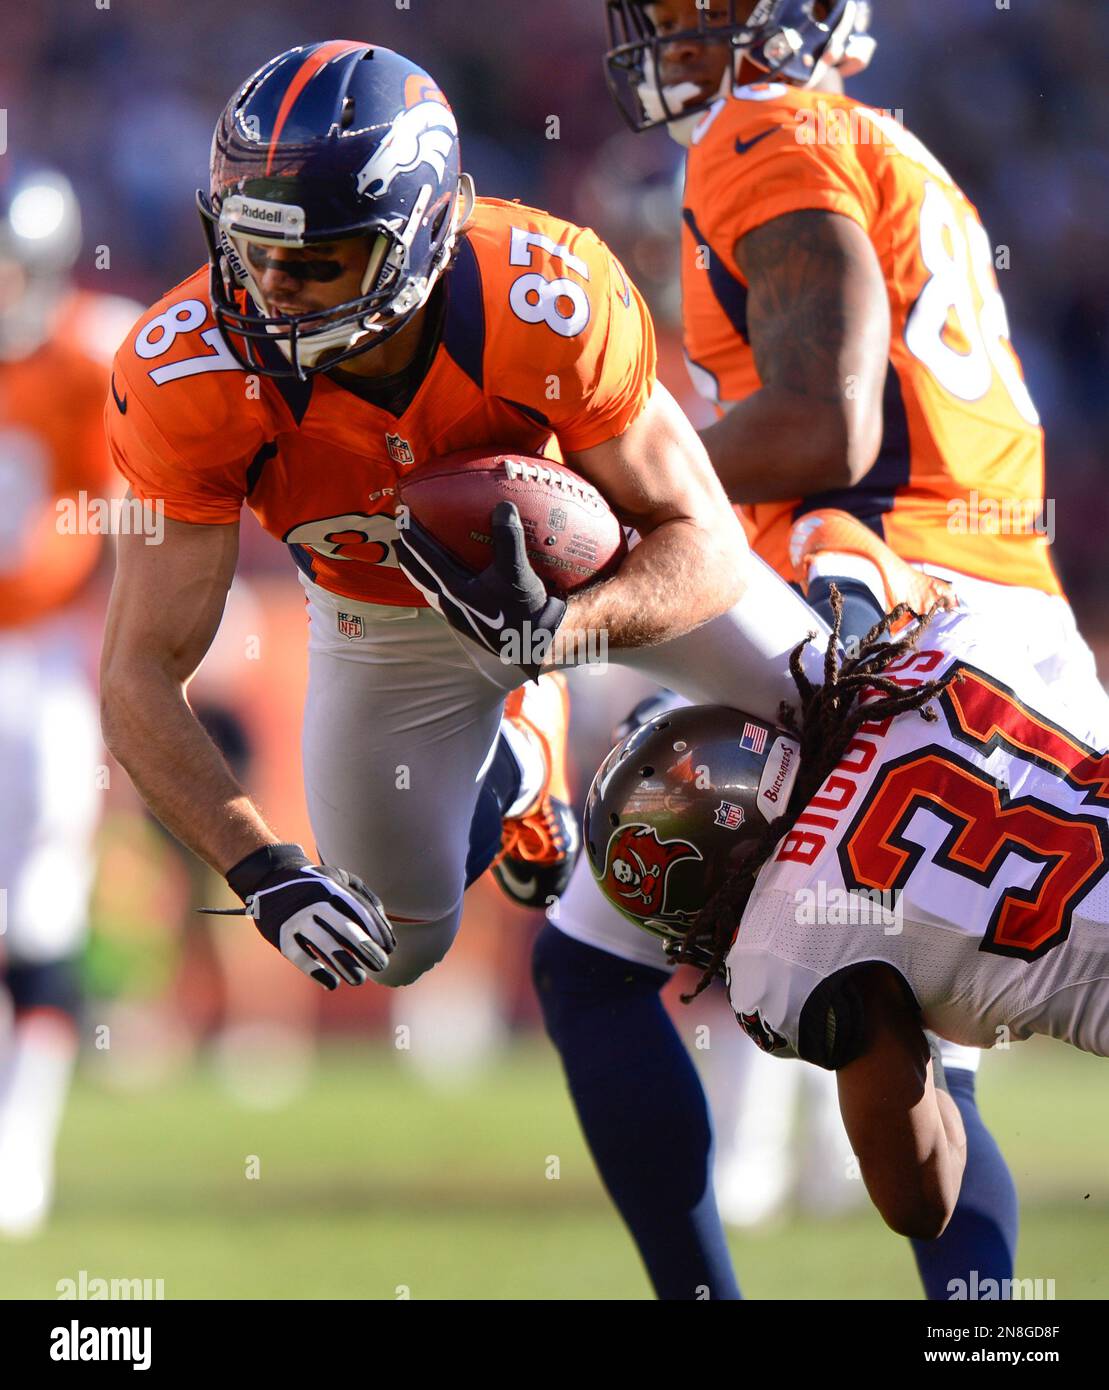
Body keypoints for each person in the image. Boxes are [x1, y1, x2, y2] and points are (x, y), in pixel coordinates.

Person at [529, 0, 1106, 1298]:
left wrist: (601, 484)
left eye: (688, 15)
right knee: (912, 1028)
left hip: (890, 613)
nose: (664, 42)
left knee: (592, 967)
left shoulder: (762, 132)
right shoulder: (892, 151)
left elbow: (824, 420)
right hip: (1015, 638)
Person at [100, 44, 831, 1031]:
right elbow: (138, 670)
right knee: (393, 943)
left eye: (321, 261)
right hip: (378, 613)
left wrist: (564, 627)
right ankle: (520, 768)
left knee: (838, 702)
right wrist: (260, 867)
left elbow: (701, 541)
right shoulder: (181, 374)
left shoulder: (546, 291)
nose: (274, 290)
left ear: (423, 235)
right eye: (252, 250)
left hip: (586, 567)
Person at [585, 576, 1109, 1240]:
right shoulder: (917, 657)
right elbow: (1040, 625)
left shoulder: (791, 940)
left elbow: (923, 1198)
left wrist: (896, 996)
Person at [0, 166, 138, 1235]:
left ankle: (19, 1153)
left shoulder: (90, 355)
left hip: (38, 656)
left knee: (39, 908)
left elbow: (85, 525)